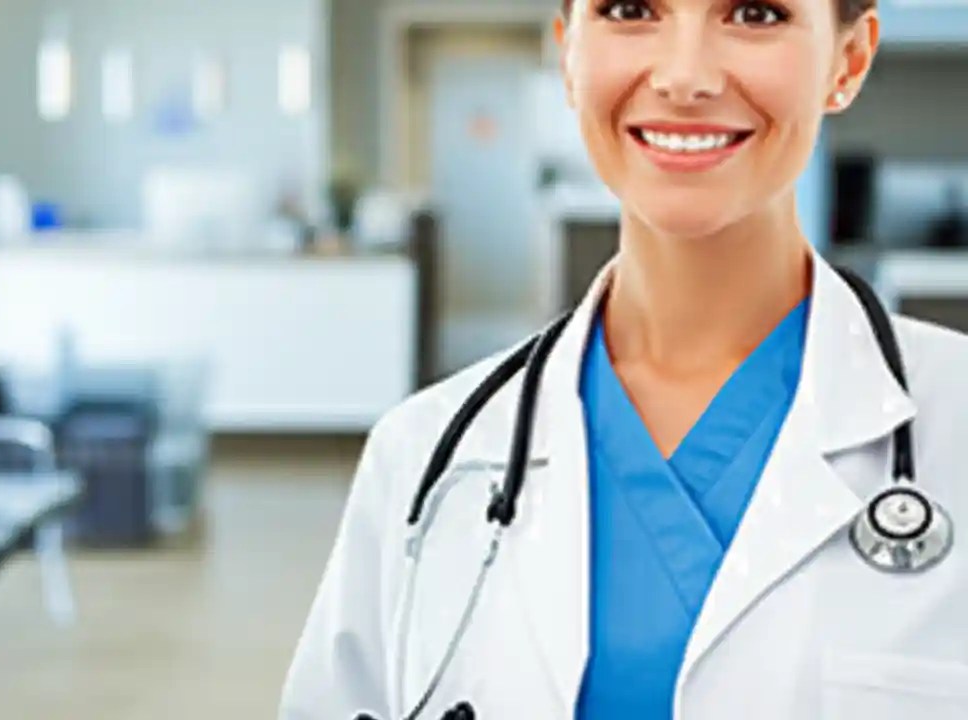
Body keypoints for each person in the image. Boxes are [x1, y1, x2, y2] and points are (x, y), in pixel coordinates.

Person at [280, 0, 968, 716]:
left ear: (847, 60)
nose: (685, 75)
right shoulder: (426, 458)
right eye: (631, 10)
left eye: (757, 13)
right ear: (569, 55)